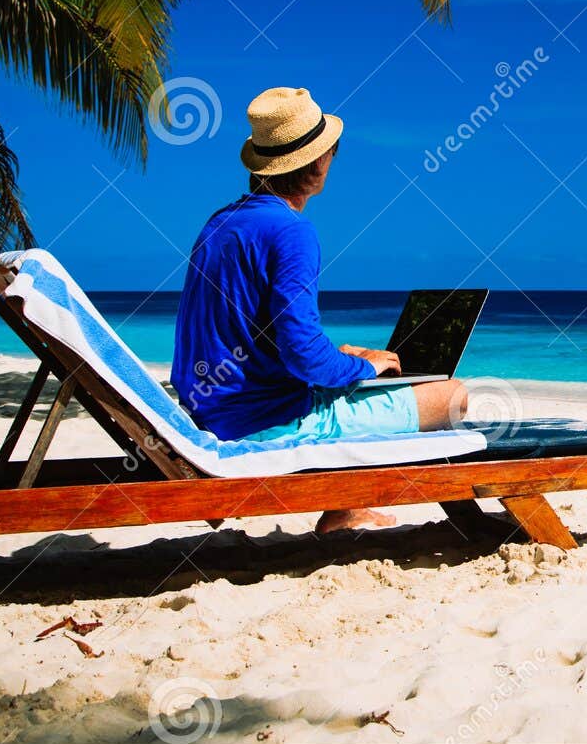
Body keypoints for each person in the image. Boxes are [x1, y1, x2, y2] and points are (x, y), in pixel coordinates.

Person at [171, 86, 469, 533]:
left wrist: (346, 360)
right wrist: (363, 369)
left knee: (353, 374)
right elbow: (300, 354)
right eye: (332, 150)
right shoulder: (292, 232)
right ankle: (347, 506)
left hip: (212, 409)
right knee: (453, 396)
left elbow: (257, 335)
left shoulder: (219, 223)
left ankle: (346, 509)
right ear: (316, 163)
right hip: (263, 423)